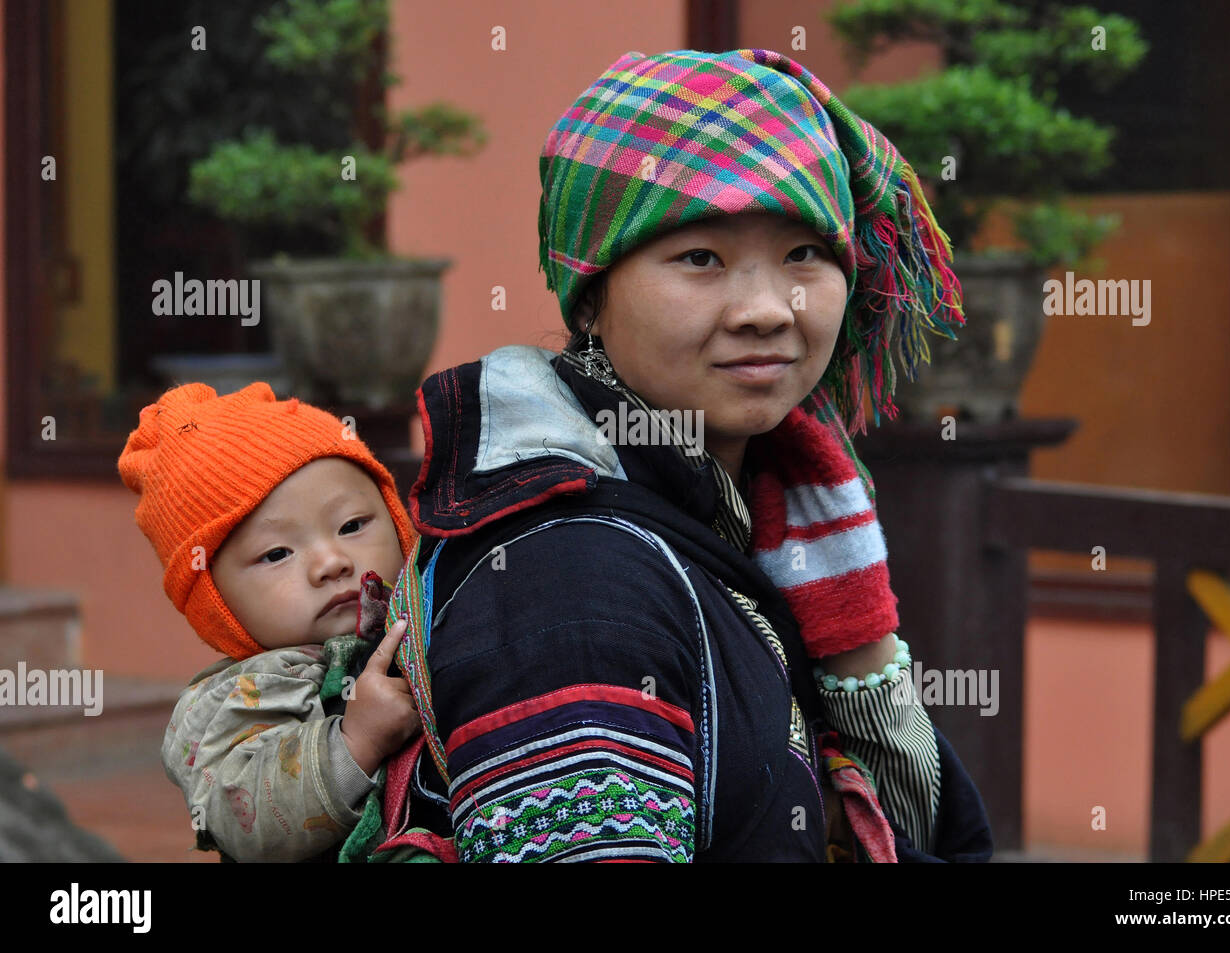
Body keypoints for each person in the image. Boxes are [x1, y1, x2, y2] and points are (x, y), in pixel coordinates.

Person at [387, 48, 994, 862]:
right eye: (700, 258)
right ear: (592, 295)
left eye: (804, 253)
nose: (766, 310)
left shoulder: (766, 510)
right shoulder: (568, 580)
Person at [117, 381, 421, 862]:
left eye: (353, 525)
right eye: (277, 553)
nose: (331, 562)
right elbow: (243, 814)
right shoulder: (241, 696)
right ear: (216, 602)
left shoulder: (425, 622)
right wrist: (352, 744)